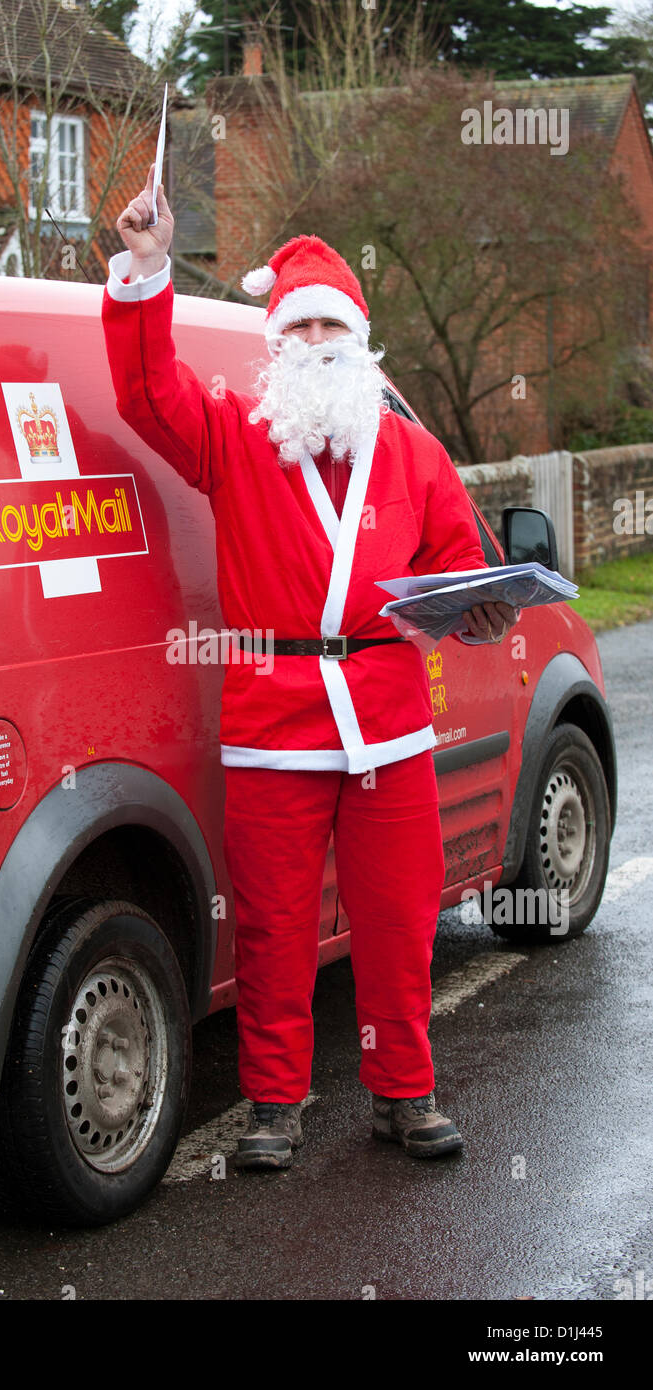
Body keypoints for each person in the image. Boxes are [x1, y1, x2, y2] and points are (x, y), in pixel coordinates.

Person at [101, 165, 520, 1170]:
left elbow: (459, 568)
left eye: (331, 330)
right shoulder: (236, 437)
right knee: (276, 924)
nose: (315, 345)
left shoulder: (414, 455)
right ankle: (273, 1104)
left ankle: (403, 1090)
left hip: (385, 712)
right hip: (274, 714)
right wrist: (147, 268)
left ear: (360, 343)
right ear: (274, 346)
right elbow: (148, 393)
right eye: (297, 331)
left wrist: (472, 609)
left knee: (397, 914)